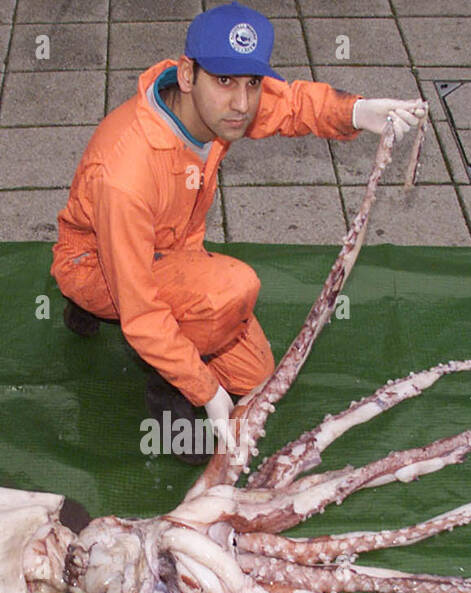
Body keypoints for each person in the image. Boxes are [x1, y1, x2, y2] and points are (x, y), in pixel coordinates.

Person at [52, 1, 425, 463]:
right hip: (100, 267)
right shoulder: (125, 173)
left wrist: (356, 112)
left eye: (251, 82)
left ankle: (138, 330)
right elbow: (142, 310)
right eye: (224, 81)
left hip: (172, 254)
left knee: (254, 375)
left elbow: (288, 104)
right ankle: (167, 384)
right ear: (187, 75)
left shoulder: (213, 112)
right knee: (230, 289)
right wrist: (206, 392)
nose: (242, 103)